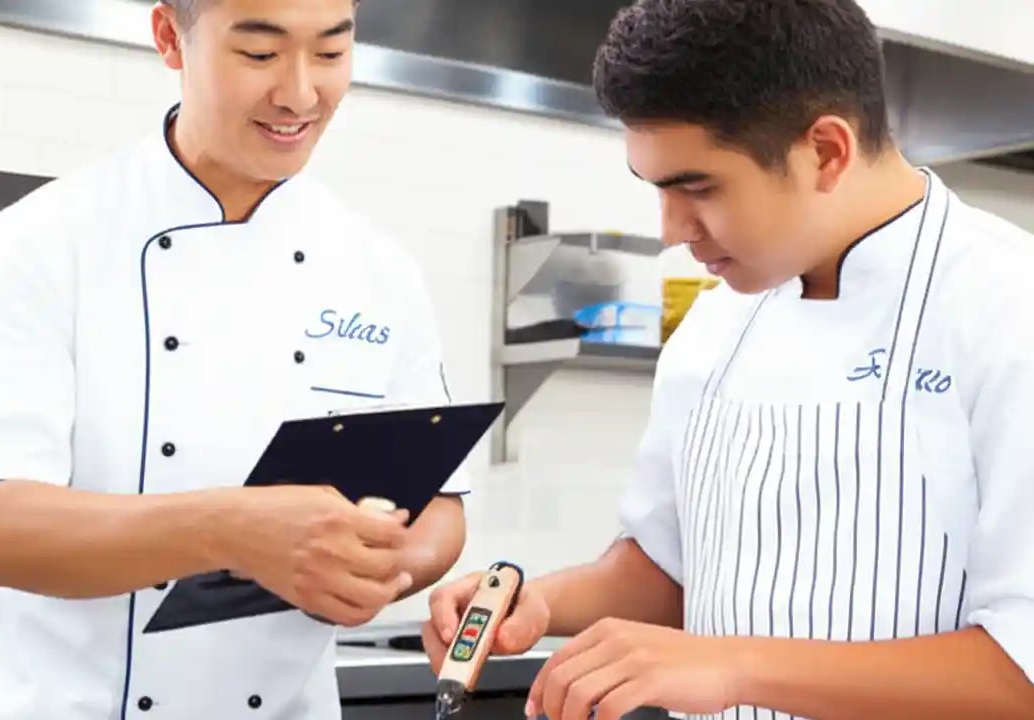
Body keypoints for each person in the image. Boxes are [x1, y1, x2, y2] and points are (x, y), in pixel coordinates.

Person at [425, 1, 1034, 719]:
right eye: (657, 190)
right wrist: (538, 602)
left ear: (827, 152)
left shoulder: (1007, 308)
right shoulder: (716, 324)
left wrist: (735, 663)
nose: (672, 232)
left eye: (699, 188)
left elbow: (1018, 671)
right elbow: (669, 570)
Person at [0, 0, 469, 718]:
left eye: (330, 54)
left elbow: (441, 510)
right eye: (261, 55)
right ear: (170, 38)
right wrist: (232, 530)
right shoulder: (49, 237)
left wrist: (380, 569)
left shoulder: (378, 268)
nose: (301, 94)